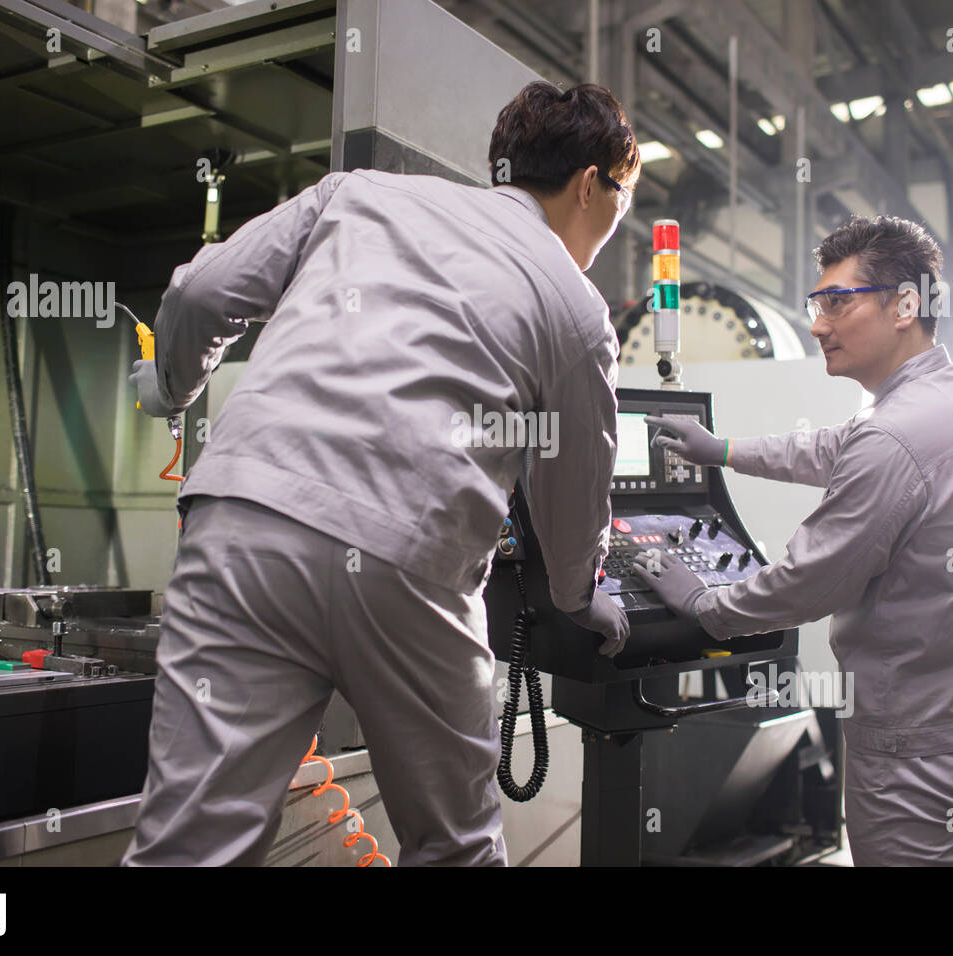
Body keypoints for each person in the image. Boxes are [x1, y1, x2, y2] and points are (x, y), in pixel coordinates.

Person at [121, 81, 638, 866]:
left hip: (244, 519)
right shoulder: (576, 308)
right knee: (455, 847)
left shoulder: (358, 196)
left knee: (191, 847)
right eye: (624, 197)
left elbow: (200, 289)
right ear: (589, 183)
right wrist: (579, 596)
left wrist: (171, 385)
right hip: (410, 558)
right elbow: (575, 498)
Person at [635, 215, 953, 866]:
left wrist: (704, 604)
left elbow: (808, 581)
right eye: (817, 305)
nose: (819, 325)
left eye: (838, 303)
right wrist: (723, 449)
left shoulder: (894, 436)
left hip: (914, 749)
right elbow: (834, 447)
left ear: (905, 305)